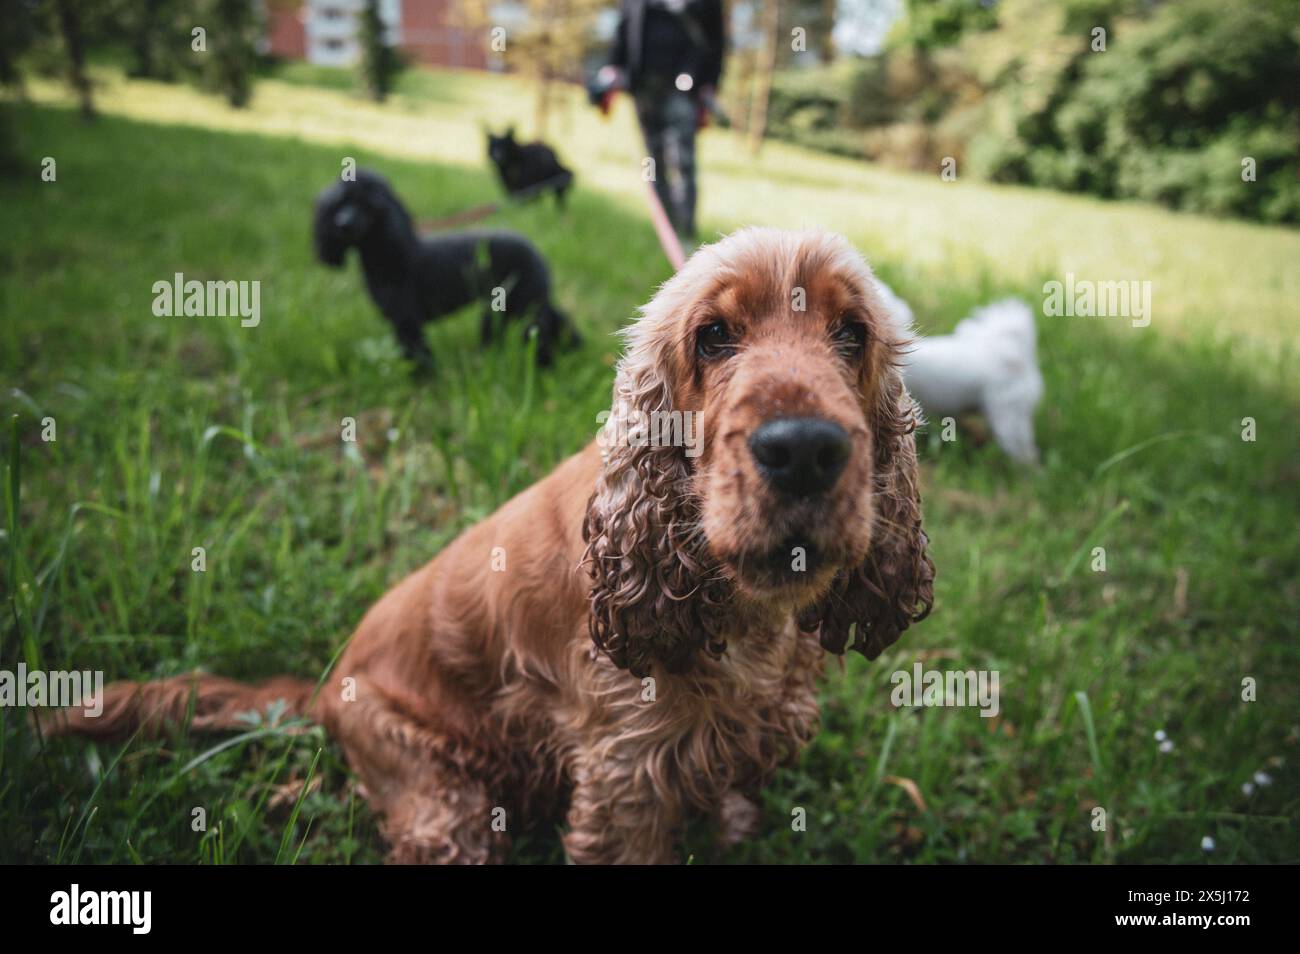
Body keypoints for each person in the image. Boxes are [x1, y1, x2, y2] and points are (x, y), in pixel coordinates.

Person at [596, 0, 725, 243]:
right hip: (644, 87)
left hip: (684, 90)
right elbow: (625, 29)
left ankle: (685, 230)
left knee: (681, 159)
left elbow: (716, 40)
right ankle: (666, 229)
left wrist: (709, 83)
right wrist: (612, 69)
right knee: (653, 160)